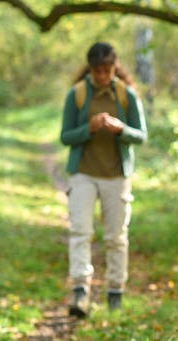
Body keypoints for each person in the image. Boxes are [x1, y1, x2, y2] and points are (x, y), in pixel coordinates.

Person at [60, 42, 147, 317]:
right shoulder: (76, 94)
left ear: (114, 68)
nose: (102, 76)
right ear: (90, 69)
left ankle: (115, 293)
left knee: (116, 237)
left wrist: (120, 128)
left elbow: (141, 135)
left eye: (107, 71)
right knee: (80, 232)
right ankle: (80, 293)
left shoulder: (126, 95)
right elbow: (65, 136)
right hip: (83, 174)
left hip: (116, 177)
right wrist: (90, 128)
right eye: (97, 71)